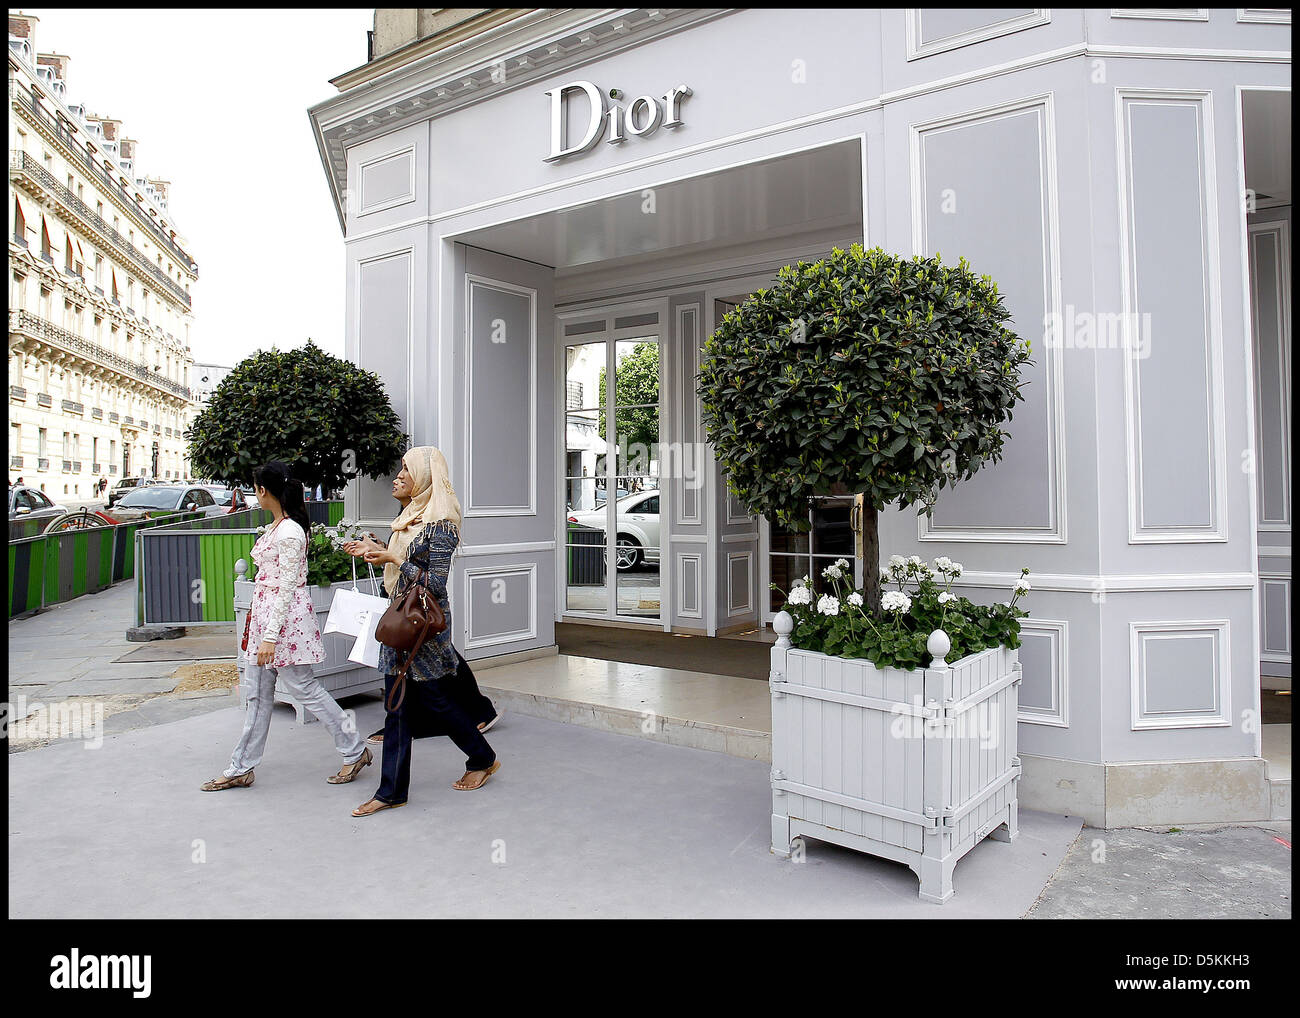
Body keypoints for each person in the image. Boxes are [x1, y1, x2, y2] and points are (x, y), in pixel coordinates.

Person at [344, 446, 499, 816]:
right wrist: (377, 549)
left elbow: (436, 584)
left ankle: (482, 757)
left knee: (438, 703)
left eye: (406, 470)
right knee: (396, 707)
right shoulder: (409, 516)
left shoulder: (442, 522)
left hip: (423, 626)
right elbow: (410, 566)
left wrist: (393, 558)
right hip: (399, 620)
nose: (398, 476)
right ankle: (391, 791)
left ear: (426, 477)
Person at [200, 460, 371, 791]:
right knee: (257, 695)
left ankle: (353, 749)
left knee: (304, 688)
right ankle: (241, 766)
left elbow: (287, 587)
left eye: (255, 488)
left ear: (264, 491)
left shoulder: (289, 531)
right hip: (269, 624)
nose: (255, 494)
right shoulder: (280, 527)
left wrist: (268, 638)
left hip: (282, 627)